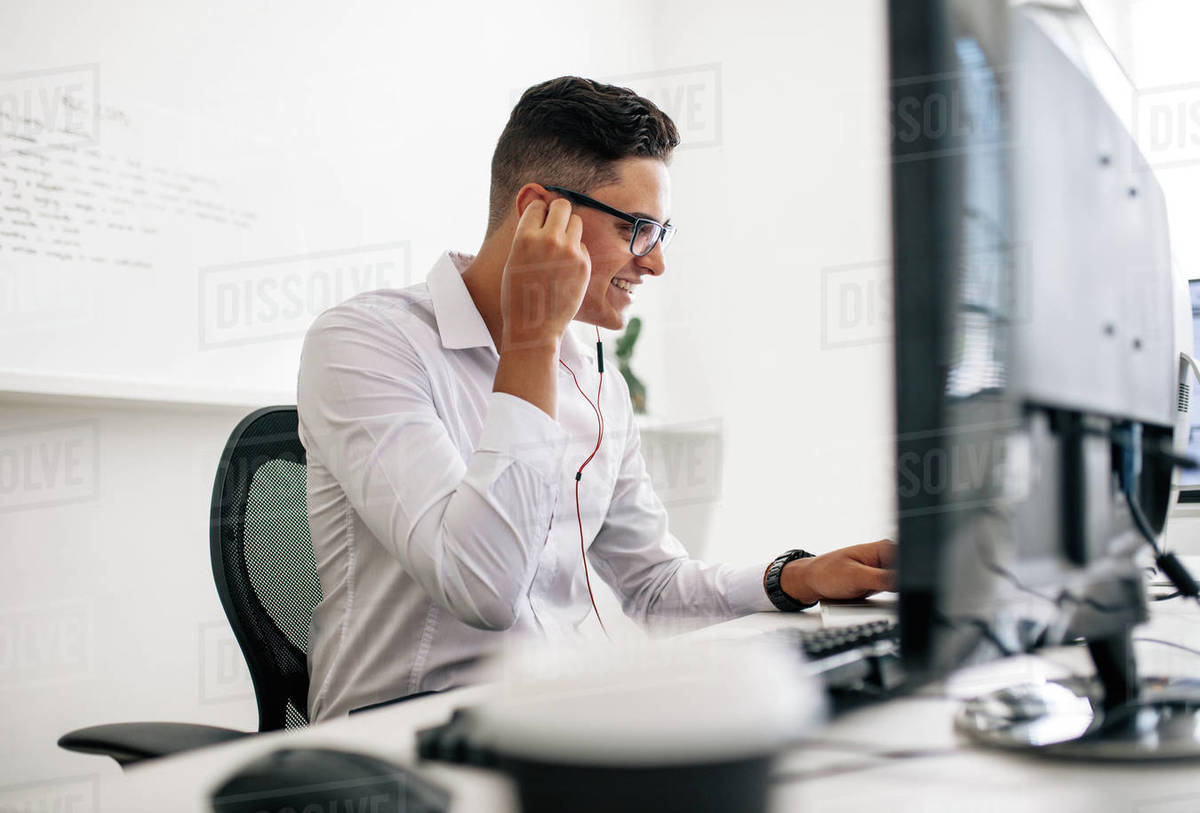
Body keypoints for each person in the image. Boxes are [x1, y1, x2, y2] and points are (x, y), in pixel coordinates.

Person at [297, 76, 896, 721]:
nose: (656, 263)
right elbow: (482, 588)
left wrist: (797, 578)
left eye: (663, 231)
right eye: (638, 228)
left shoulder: (595, 378)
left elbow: (653, 586)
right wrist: (532, 339)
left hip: (563, 715)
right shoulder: (365, 343)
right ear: (538, 215)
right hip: (407, 735)